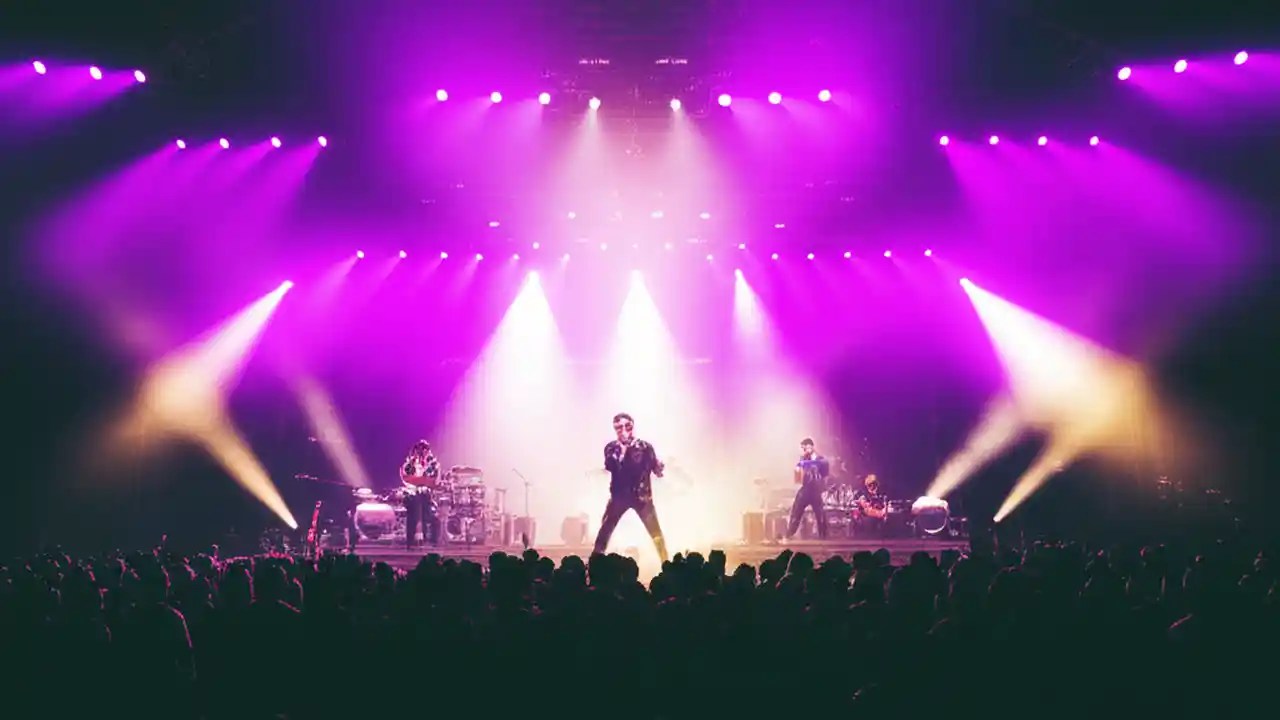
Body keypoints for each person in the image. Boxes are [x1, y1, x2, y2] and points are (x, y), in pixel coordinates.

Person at [592, 413, 670, 563]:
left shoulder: (645, 447)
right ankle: (595, 563)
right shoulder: (611, 448)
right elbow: (611, 465)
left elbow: (655, 469)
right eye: (619, 427)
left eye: (627, 426)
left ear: (632, 426)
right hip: (619, 496)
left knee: (655, 532)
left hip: (641, 497)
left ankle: (666, 563)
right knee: (605, 530)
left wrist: (659, 467)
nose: (623, 430)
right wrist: (623, 449)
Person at [787, 437, 831, 540]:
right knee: (796, 512)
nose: (803, 451)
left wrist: (823, 489)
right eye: (802, 449)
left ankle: (823, 537)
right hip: (805, 489)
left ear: (810, 446)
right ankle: (789, 534)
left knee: (820, 515)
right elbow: (797, 478)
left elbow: (825, 475)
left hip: (815, 491)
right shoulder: (802, 460)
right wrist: (799, 467)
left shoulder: (821, 460)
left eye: (804, 448)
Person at [400, 440, 441, 549]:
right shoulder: (410, 463)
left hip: (427, 495)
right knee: (412, 517)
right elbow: (406, 477)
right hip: (412, 495)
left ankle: (432, 541)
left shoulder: (433, 463)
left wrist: (423, 482)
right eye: (420, 449)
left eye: (424, 449)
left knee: (432, 517)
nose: (422, 452)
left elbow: (434, 480)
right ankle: (410, 542)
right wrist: (419, 482)